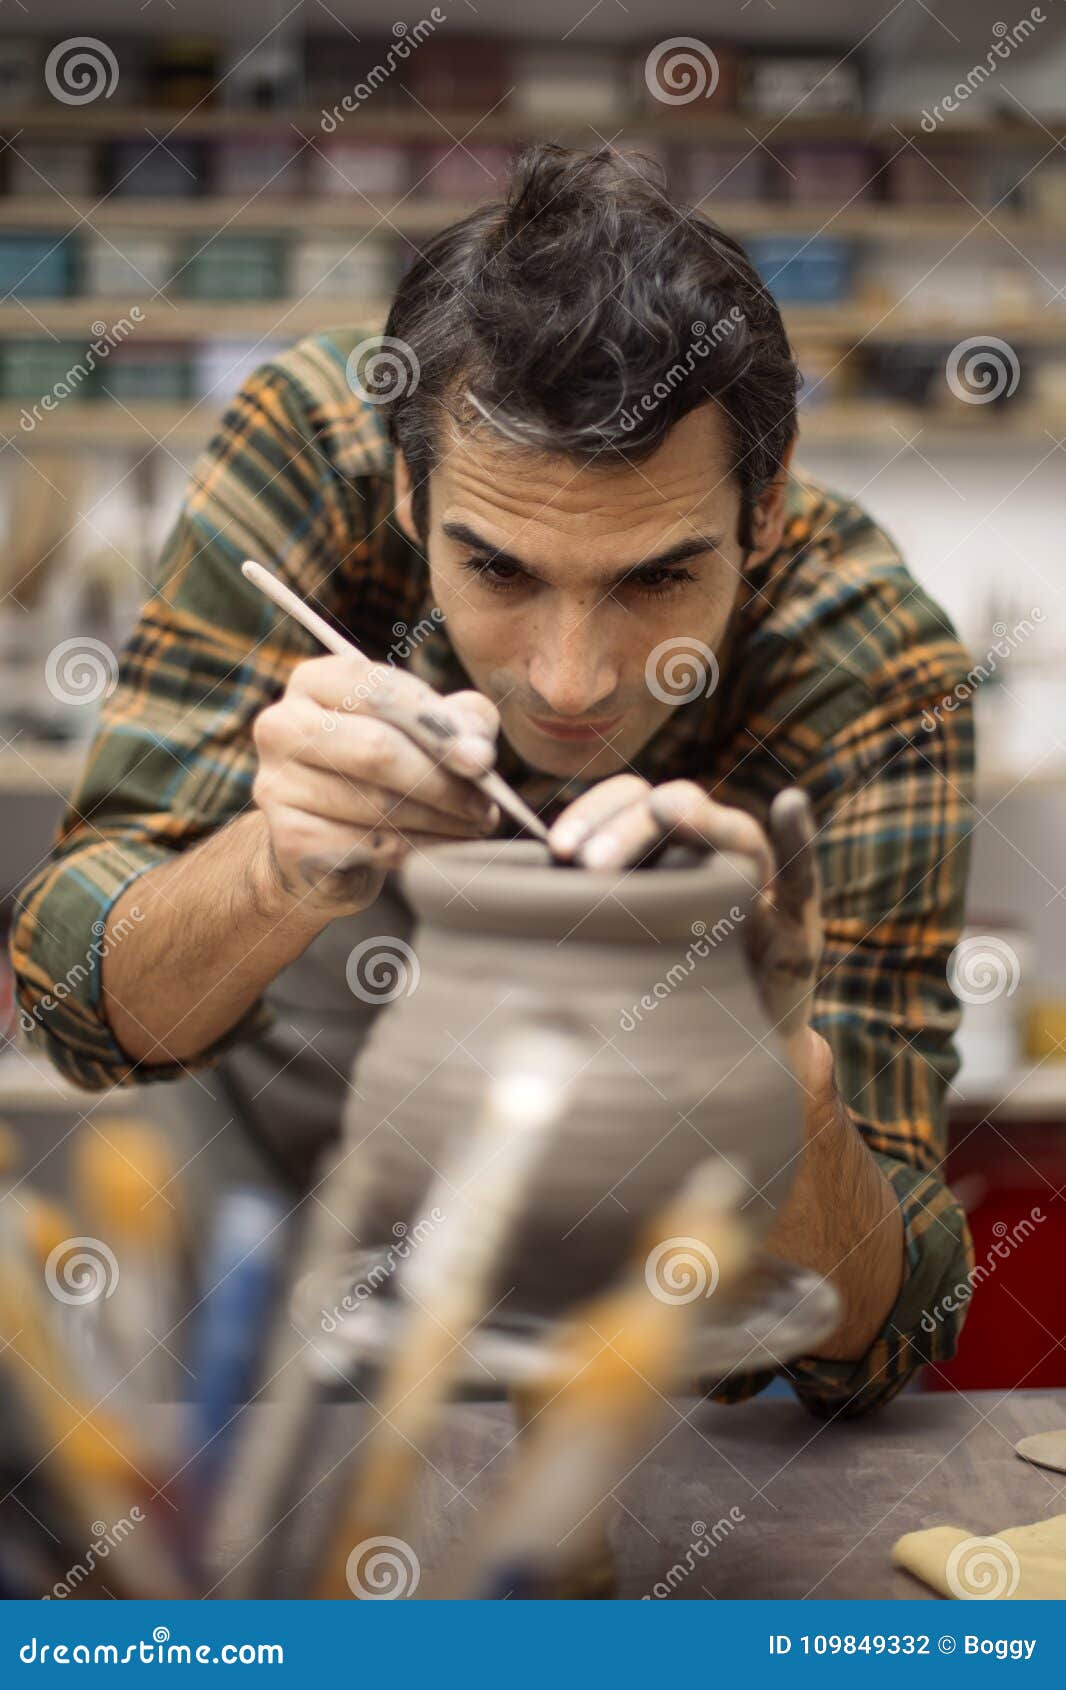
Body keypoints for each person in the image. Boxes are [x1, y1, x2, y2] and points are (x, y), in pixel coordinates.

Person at [10, 146, 974, 1417]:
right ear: (409, 492)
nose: (570, 681)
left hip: (655, 1371)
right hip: (285, 1305)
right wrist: (274, 868)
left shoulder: (872, 659)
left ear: (768, 504)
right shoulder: (315, 450)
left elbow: (890, 1332)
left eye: (656, 580)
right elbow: (70, 1000)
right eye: (502, 571)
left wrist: (771, 1055)